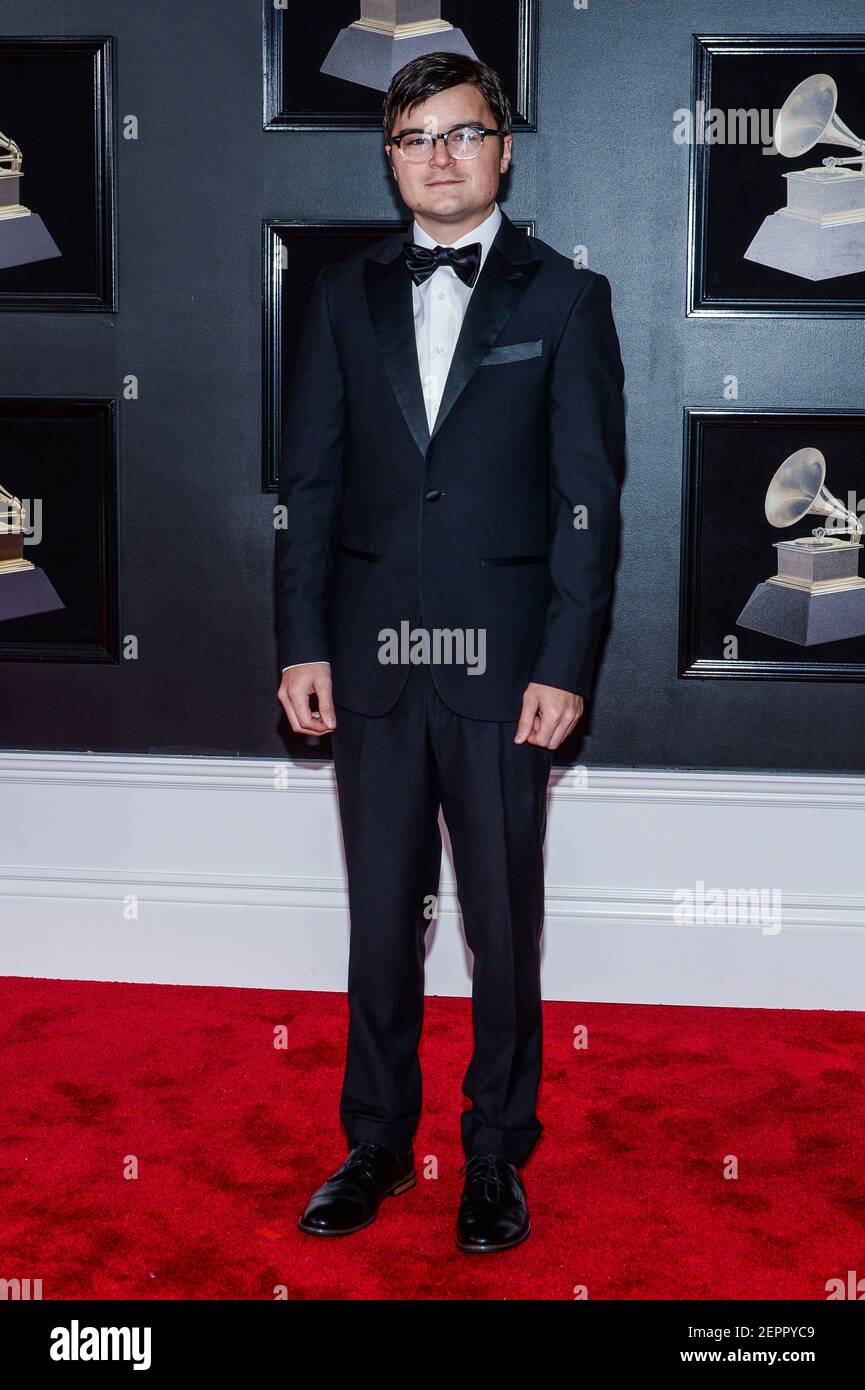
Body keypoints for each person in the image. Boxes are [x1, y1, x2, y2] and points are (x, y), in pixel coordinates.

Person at [275, 51, 625, 1252]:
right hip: (368, 660)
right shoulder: (339, 293)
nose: (438, 156)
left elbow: (588, 501)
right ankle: (373, 1140)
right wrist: (300, 641)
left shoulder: (566, 300)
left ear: (502, 147)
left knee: (500, 919)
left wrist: (566, 661)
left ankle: (494, 1154)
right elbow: (309, 485)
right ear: (389, 158)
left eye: (460, 133)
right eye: (414, 137)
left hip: (504, 667)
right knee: (382, 916)